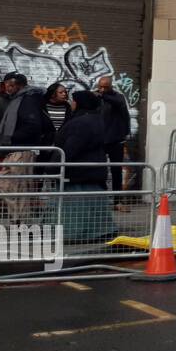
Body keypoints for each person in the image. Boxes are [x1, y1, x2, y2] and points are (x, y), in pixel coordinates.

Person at [54, 91, 117, 243]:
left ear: (81, 103)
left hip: (78, 174)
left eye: (74, 100)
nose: (72, 103)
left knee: (77, 213)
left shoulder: (81, 122)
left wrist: (54, 166)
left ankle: (78, 235)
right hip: (91, 173)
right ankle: (100, 232)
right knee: (93, 212)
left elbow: (71, 149)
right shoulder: (96, 119)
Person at [0, 74, 52, 221]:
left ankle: (22, 222)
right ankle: (19, 219)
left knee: (18, 188)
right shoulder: (19, 99)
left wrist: (11, 138)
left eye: (10, 85)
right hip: (15, 150)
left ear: (19, 85)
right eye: (6, 84)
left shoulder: (27, 100)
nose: (7, 88)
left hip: (22, 150)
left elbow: (33, 125)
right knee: (8, 184)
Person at [95, 76, 132, 196]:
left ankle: (118, 200)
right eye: (100, 87)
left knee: (116, 171)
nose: (102, 89)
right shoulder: (97, 98)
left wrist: (103, 96)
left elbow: (118, 103)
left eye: (105, 87)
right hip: (100, 140)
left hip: (115, 140)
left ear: (111, 86)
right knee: (98, 170)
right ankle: (101, 197)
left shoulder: (118, 97)